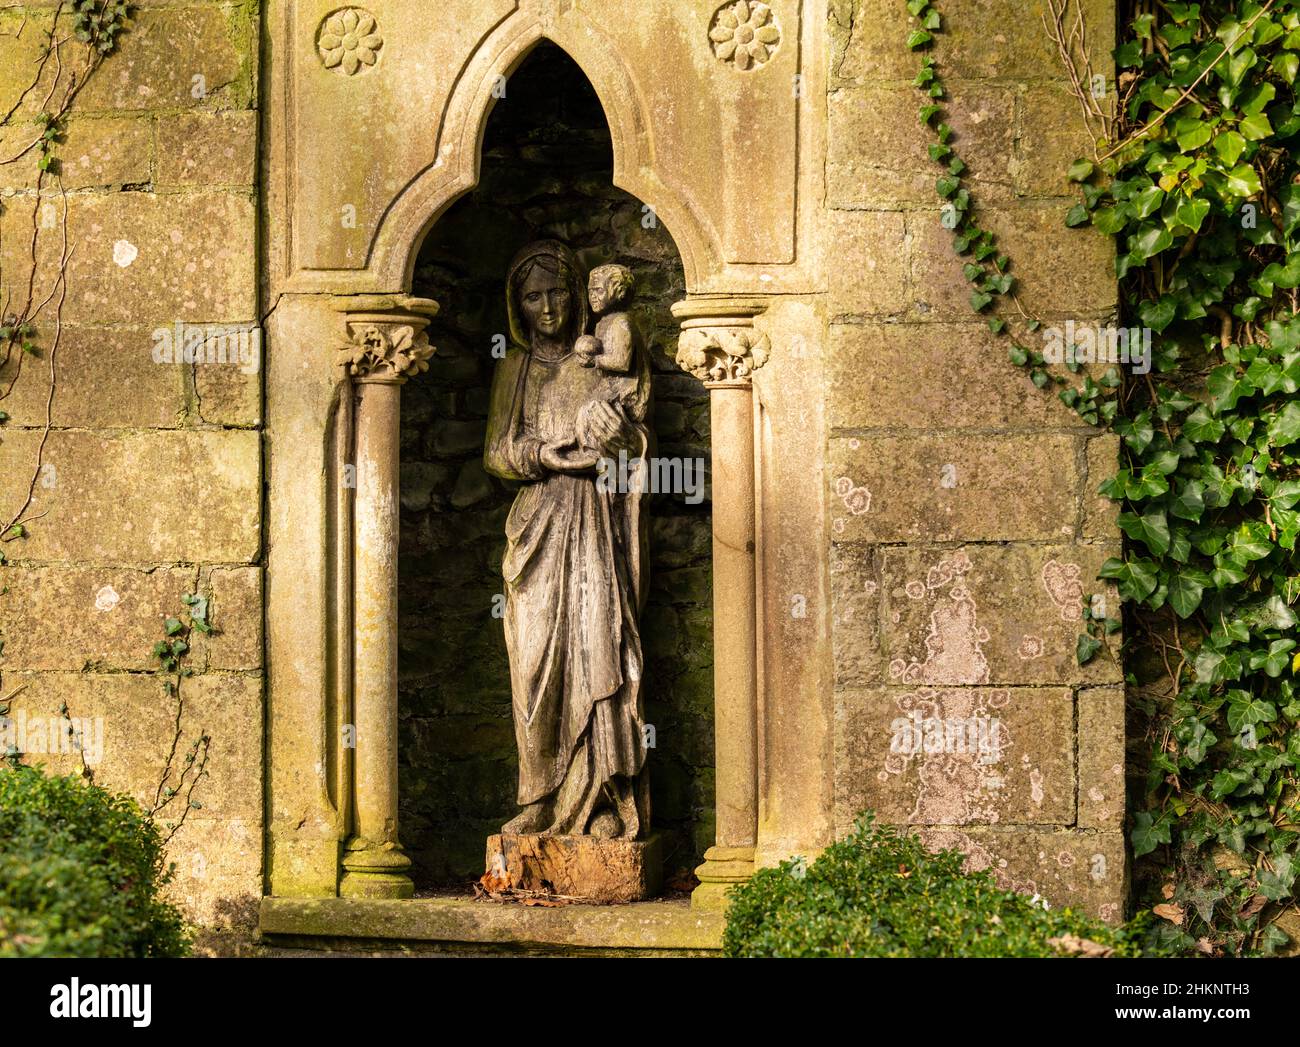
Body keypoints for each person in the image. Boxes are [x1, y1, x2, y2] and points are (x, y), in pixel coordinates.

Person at [483, 240, 653, 839]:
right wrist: (540, 452)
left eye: (557, 292)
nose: (548, 307)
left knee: (598, 646)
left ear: (578, 295)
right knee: (535, 661)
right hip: (537, 523)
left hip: (598, 519)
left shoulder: (604, 359)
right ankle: (541, 797)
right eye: (533, 297)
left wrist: (620, 438)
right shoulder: (516, 367)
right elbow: (496, 452)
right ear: (518, 306)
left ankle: (605, 798)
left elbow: (636, 447)